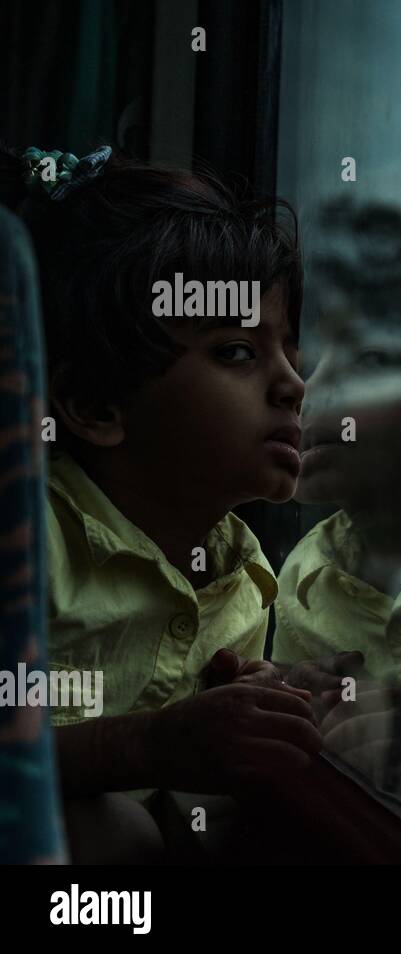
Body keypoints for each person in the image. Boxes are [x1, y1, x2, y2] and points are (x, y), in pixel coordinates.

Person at [0, 144, 322, 860]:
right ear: (95, 404)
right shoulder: (30, 540)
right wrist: (144, 744)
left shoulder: (247, 583)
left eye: (289, 353)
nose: (293, 384)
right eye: (239, 352)